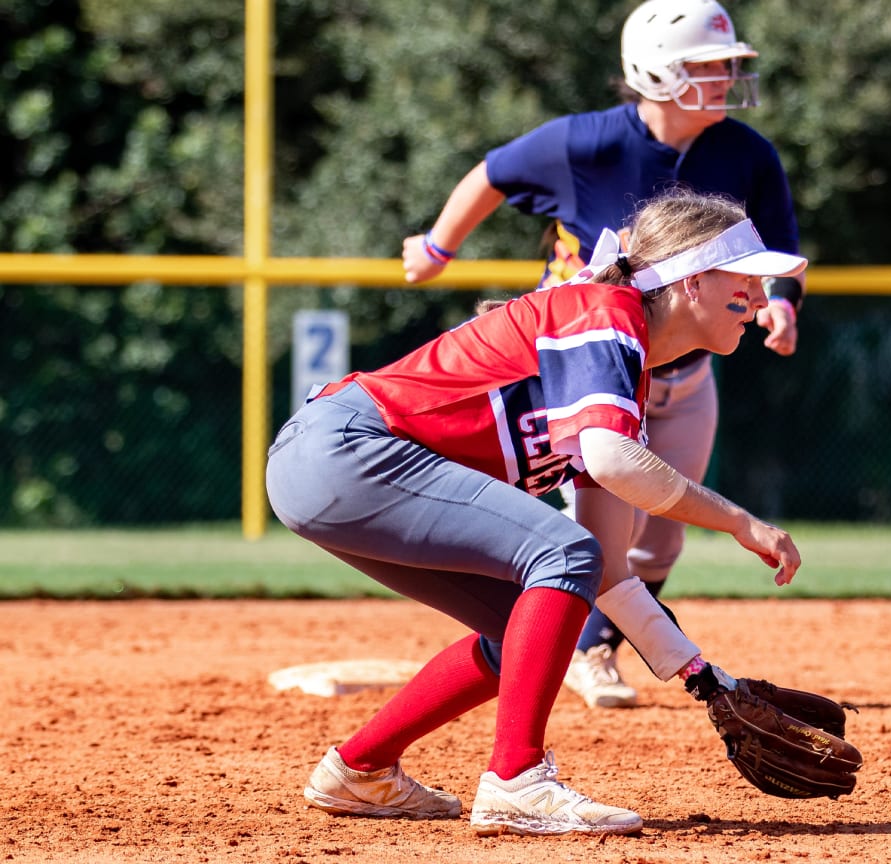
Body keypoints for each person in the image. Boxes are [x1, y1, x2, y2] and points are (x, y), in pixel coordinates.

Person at [268, 190, 808, 837]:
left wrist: (702, 676)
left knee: (525, 628)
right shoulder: (604, 313)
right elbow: (611, 463)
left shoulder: (620, 363)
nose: (759, 297)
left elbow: (608, 571)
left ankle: (359, 768)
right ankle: (517, 781)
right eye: (745, 277)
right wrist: (741, 522)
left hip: (337, 466)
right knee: (563, 556)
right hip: (347, 448)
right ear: (692, 280)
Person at [401, 0, 804, 710]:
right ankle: (575, 652)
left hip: (684, 373)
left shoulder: (747, 151)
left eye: (726, 65)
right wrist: (438, 247)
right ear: (657, 71)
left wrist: (781, 302)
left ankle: (601, 646)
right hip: (590, 371)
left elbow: (776, 247)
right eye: (707, 66)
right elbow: (491, 173)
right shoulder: (585, 142)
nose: (725, 78)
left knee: (662, 538)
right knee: (589, 529)